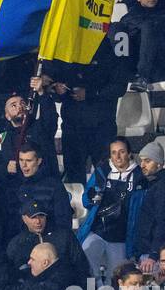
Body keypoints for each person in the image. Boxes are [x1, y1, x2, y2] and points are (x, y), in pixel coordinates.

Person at [52, 35, 127, 184]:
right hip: (73, 127)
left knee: (106, 174)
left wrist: (90, 93)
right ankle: (78, 206)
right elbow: (55, 90)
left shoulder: (110, 58)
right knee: (73, 176)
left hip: (101, 127)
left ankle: (107, 206)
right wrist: (58, 89)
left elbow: (119, 87)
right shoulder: (67, 58)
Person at [77, 137, 143, 281]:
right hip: (98, 231)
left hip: (122, 236)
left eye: (122, 152)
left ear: (129, 153)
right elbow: (86, 200)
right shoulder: (102, 171)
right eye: (113, 153)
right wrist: (90, 196)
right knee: (84, 255)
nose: (117, 157)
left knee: (116, 277)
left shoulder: (140, 176)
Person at [125, 141, 165, 268]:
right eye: (141, 161)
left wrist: (153, 255)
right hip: (147, 253)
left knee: (154, 288)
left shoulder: (163, 188)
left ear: (159, 164)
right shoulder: (151, 184)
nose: (142, 165)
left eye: (147, 161)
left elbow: (164, 223)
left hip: (154, 257)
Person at [0, 90, 60, 188]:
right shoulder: (0, 140)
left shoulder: (41, 129)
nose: (19, 107)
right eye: (13, 105)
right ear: (7, 116)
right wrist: (5, 168)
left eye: (22, 103)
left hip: (44, 189)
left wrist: (42, 92)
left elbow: (50, 115)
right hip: (16, 193)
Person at [5, 197, 82, 278]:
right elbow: (9, 273)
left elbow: (80, 264)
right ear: (24, 219)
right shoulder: (17, 244)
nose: (38, 221)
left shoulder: (65, 236)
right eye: (33, 217)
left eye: (41, 216)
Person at [10, 242, 74, 290]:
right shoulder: (47, 273)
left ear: (45, 263)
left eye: (32, 259)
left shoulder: (63, 277)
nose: (29, 262)